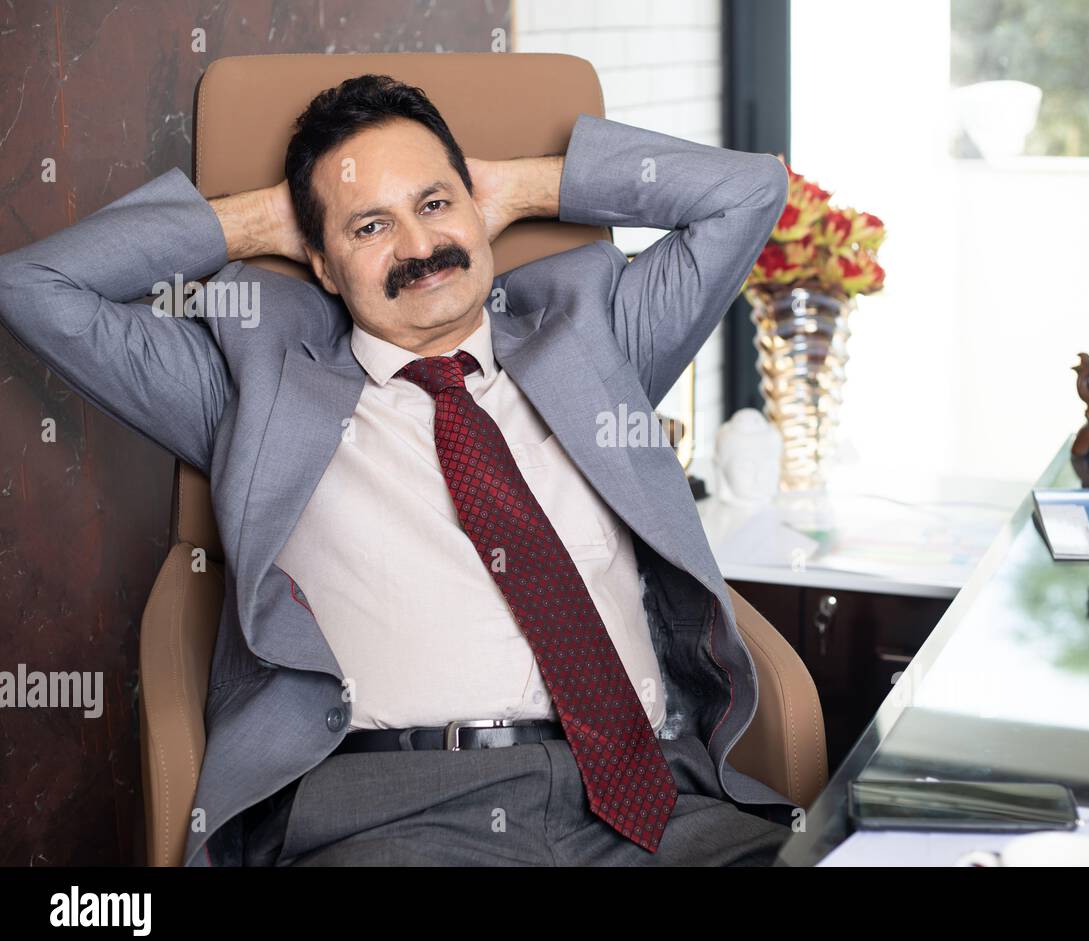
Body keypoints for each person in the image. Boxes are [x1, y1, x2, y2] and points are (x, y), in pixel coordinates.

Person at [0, 74, 801, 866]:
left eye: (435, 205)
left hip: (657, 801)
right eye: (370, 228)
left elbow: (752, 190)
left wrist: (519, 185)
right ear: (318, 261)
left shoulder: (597, 341)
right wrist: (261, 219)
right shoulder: (257, 385)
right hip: (401, 820)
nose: (420, 248)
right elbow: (34, 287)